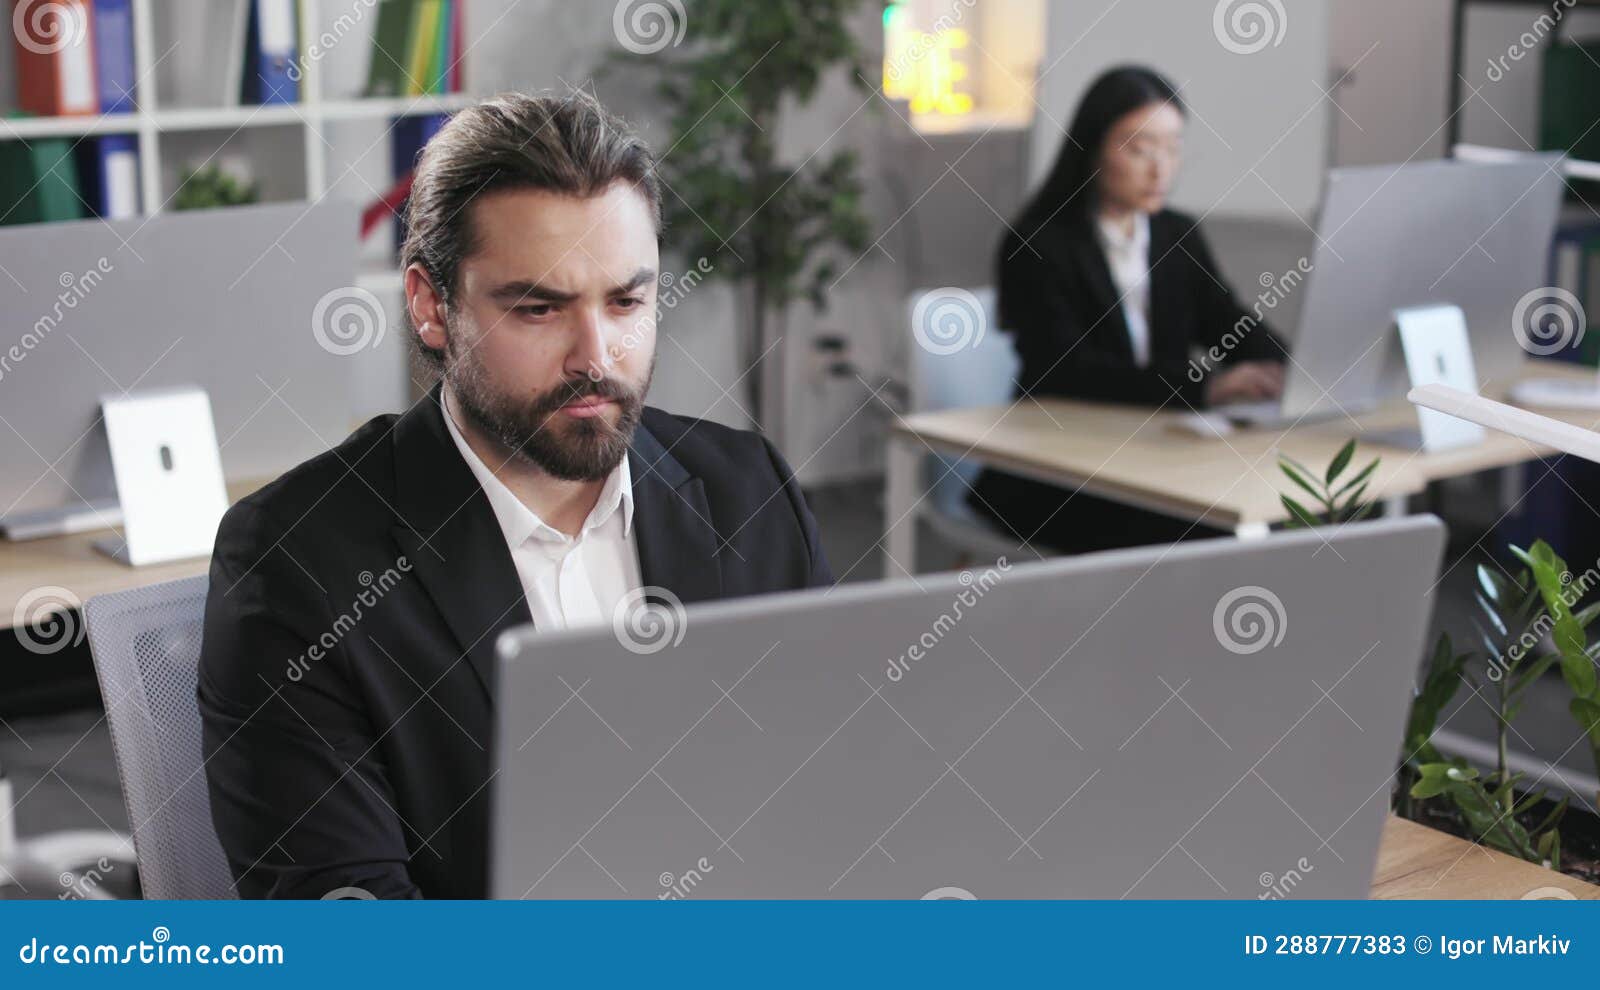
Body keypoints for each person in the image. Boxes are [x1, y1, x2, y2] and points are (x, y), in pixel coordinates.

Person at [198, 90, 834, 899]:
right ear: (432, 307)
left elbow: (838, 787)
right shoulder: (297, 562)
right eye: (539, 308)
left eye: (627, 302)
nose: (595, 357)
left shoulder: (749, 490)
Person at [971, 66, 1288, 555]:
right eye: (1140, 149)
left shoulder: (1175, 235)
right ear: (1092, 149)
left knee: (1291, 505)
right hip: (1059, 471)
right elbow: (1069, 372)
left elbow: (1229, 321)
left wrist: (1286, 366)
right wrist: (1206, 387)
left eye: (1172, 147)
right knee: (1216, 531)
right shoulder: (1037, 244)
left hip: (1156, 455)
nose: (1160, 168)